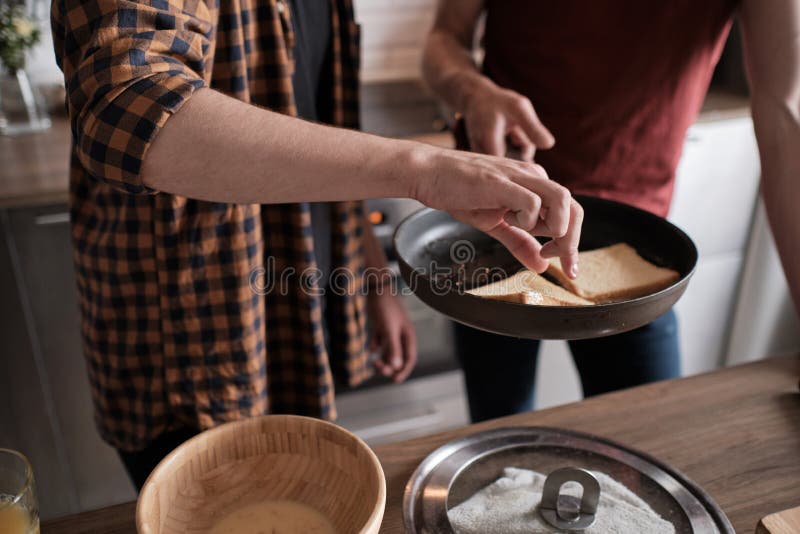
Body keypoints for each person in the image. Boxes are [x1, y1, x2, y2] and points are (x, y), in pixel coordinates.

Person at [51, 0, 583, 488]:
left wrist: (371, 274)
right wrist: (421, 168)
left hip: (294, 314)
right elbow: (130, 104)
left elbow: (311, 120)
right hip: (192, 344)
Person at [423, 0, 800, 422]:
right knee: (498, 433)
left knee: (646, 441)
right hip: (493, 225)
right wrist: (471, 90)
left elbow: (784, 113)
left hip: (634, 244)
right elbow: (442, 40)